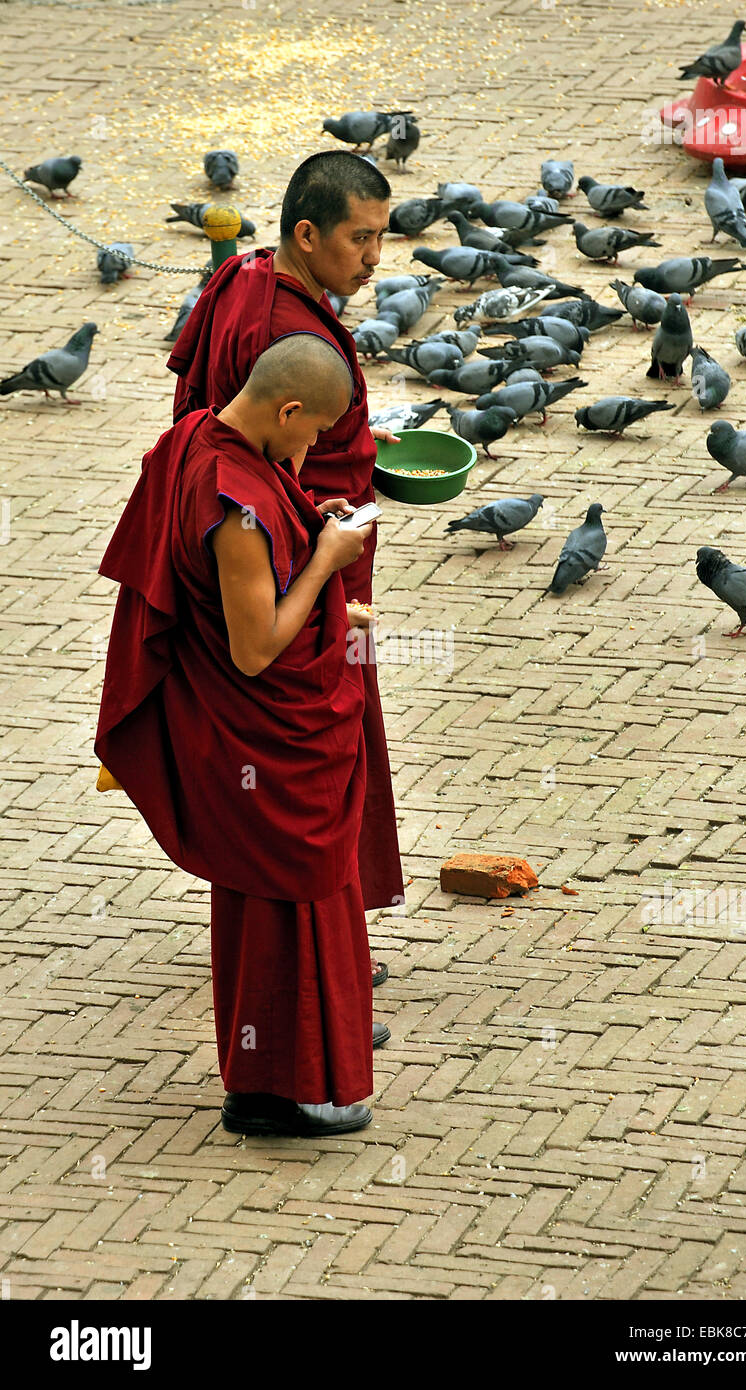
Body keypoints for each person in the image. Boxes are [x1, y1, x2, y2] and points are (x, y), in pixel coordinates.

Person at [95, 335, 387, 1136]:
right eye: (315, 434)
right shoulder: (236, 505)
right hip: (266, 736)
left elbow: (261, 551)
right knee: (289, 894)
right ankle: (274, 1093)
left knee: (271, 900)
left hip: (260, 730)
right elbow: (254, 651)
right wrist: (326, 562)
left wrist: (305, 521)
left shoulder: (199, 435)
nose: (314, 449)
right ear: (287, 409)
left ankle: (266, 1084)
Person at [167, 151, 404, 987]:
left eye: (383, 236)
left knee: (313, 773)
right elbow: (267, 464)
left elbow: (264, 430)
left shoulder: (250, 279)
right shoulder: (283, 332)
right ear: (306, 235)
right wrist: (319, 540)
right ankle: (317, 954)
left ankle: (328, 941)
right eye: (359, 238)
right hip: (296, 577)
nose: (376, 257)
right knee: (311, 776)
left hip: (300, 551)